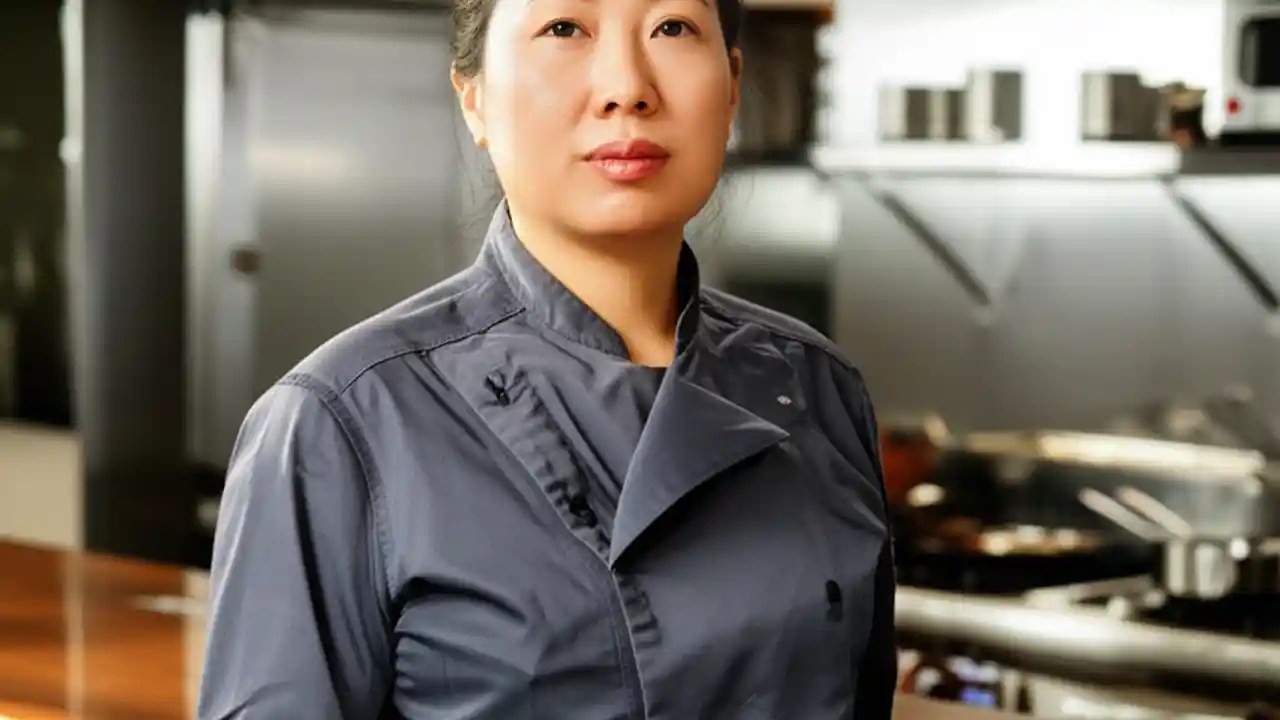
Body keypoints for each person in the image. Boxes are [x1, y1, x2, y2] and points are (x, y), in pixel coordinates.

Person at [196, 0, 896, 715]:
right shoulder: (341, 421)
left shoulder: (816, 385)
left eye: (673, 28)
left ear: (733, 86)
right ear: (474, 99)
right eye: (564, 29)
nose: (628, 86)